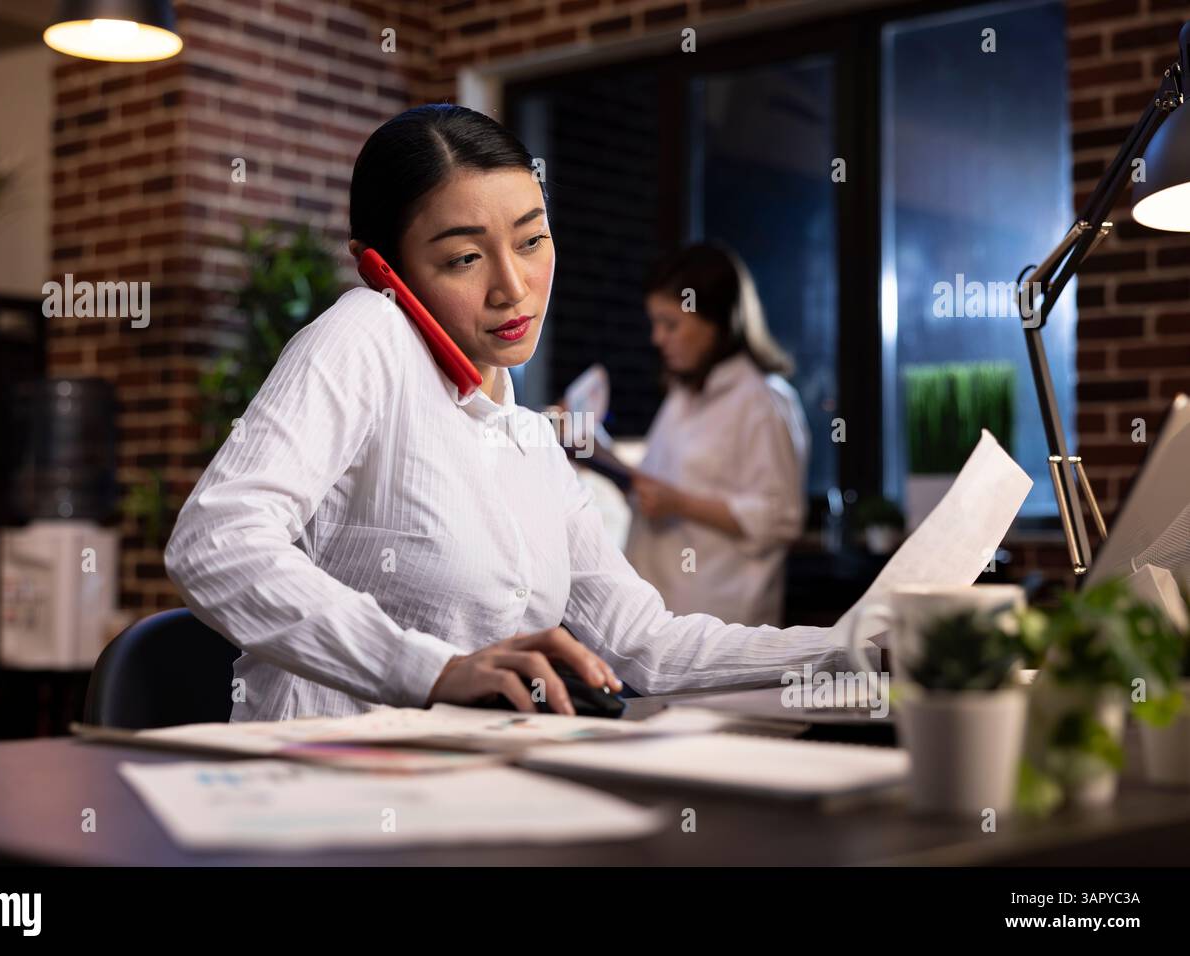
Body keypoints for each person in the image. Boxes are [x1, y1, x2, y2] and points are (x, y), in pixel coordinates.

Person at [164, 104, 862, 723]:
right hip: (324, 798)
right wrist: (431, 671)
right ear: (383, 270)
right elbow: (216, 541)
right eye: (465, 257)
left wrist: (859, 648)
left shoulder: (531, 441)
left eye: (532, 240)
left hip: (475, 800)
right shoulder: (366, 335)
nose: (513, 286)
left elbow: (648, 646)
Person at [626, 242, 810, 628]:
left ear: (718, 322)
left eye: (670, 324)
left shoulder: (764, 401)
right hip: (659, 609)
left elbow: (779, 519)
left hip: (720, 618)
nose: (657, 339)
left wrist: (681, 503)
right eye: (654, 323)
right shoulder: (682, 397)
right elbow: (658, 482)